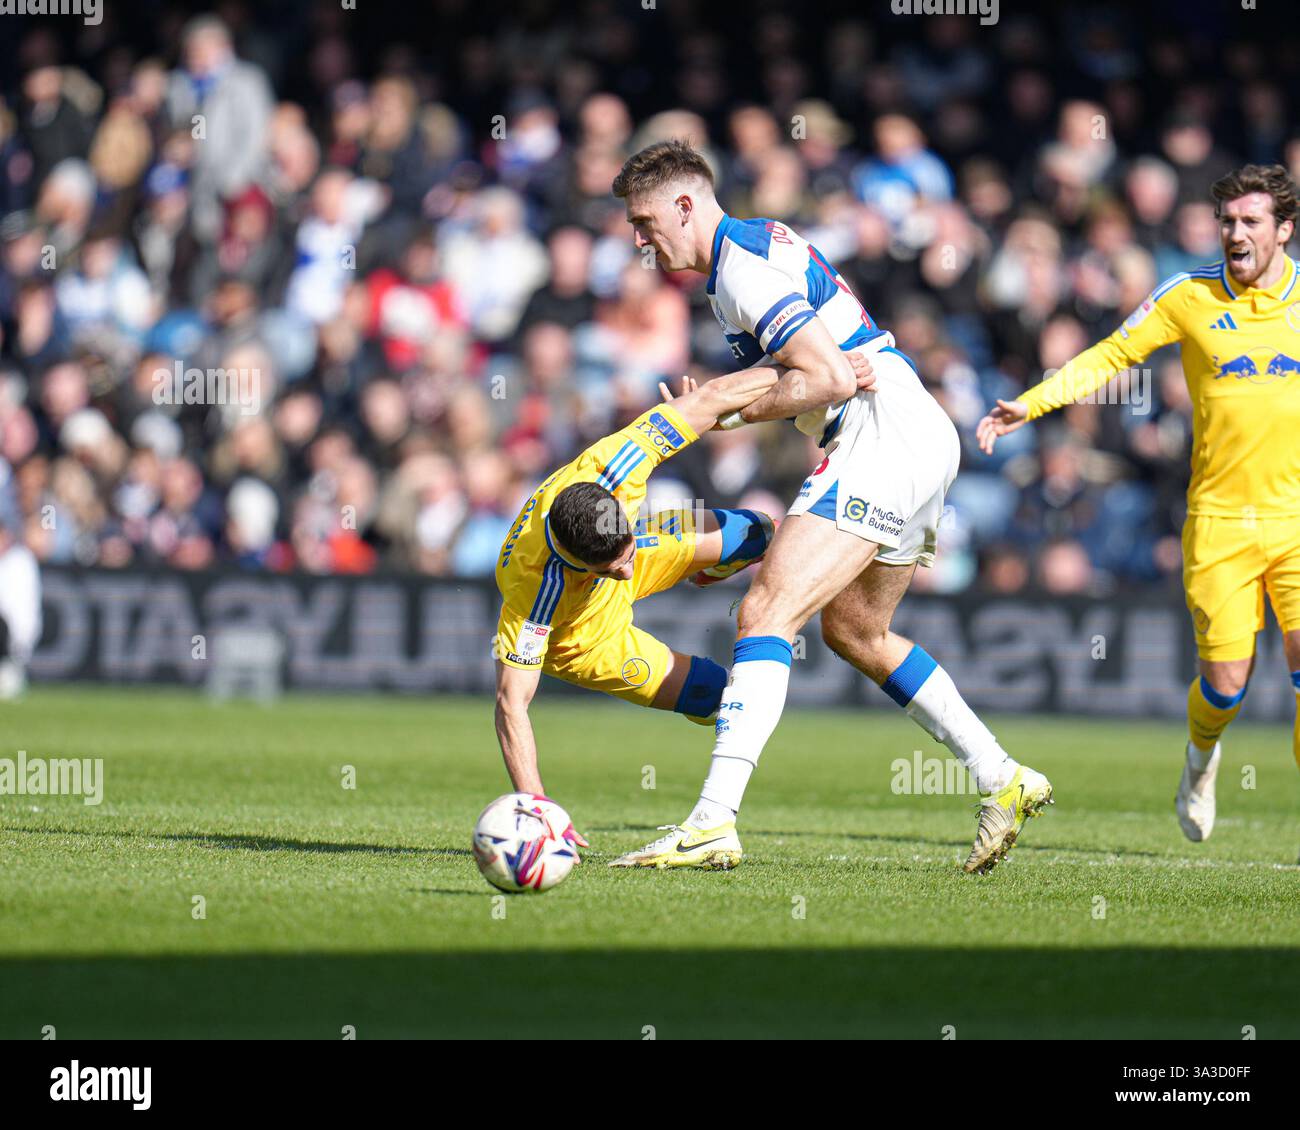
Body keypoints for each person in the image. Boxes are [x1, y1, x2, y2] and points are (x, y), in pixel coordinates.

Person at [607, 140, 1052, 873]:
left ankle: (714, 821)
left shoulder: (740, 272)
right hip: (910, 429)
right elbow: (823, 367)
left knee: (766, 613)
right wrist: (740, 399)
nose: (638, 239)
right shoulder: (753, 247)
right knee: (857, 632)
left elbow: (828, 380)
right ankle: (1003, 778)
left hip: (879, 434)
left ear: (686, 205)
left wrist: (726, 413)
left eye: (644, 220)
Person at [978, 163, 1300, 845]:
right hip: (1218, 522)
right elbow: (1111, 355)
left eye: (1250, 222)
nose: (1235, 233)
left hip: (1297, 522)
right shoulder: (1188, 296)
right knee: (1226, 686)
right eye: (1228, 221)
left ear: (1285, 231)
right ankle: (1200, 759)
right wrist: (1031, 405)